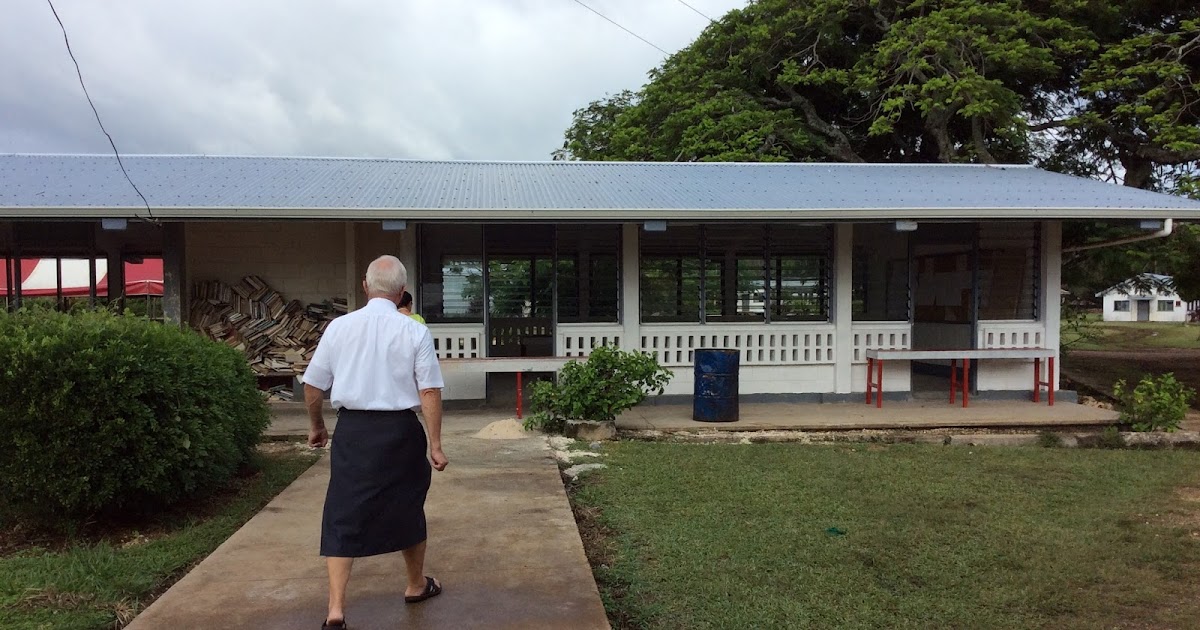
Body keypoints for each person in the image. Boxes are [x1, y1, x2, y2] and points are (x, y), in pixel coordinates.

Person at [302, 255, 448, 630]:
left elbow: (313, 386)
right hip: (401, 432)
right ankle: (416, 584)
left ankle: (336, 609)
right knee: (408, 506)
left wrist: (317, 426)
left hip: (353, 432)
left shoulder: (339, 327)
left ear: (365, 288)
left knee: (342, 512)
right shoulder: (414, 331)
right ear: (401, 293)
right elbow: (429, 389)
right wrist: (435, 444)